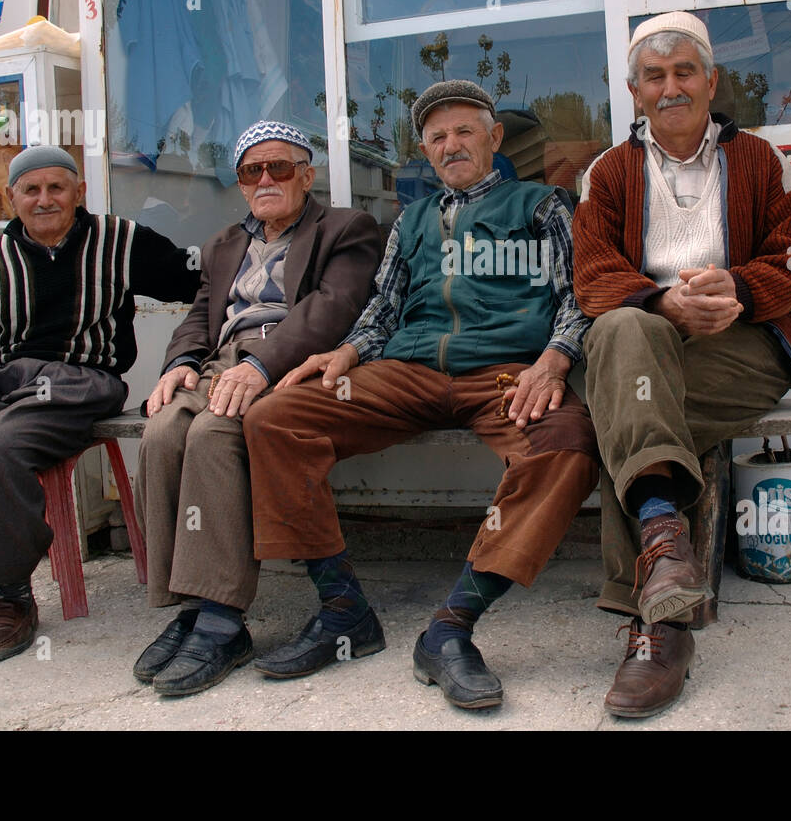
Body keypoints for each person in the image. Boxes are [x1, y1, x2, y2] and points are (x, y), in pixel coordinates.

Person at [243, 80, 598, 710]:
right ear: (425, 153)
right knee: (277, 417)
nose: (451, 144)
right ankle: (343, 608)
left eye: (465, 131)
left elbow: (580, 296)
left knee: (565, 441)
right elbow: (382, 305)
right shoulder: (410, 220)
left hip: (505, 373)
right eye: (437, 137)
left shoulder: (541, 206)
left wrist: (553, 361)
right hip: (408, 369)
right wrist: (346, 352)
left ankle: (451, 626)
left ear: (494, 139)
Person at [572, 11, 791, 718]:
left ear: (712, 81)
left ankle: (654, 577)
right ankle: (666, 601)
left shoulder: (761, 161)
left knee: (621, 412)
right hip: (644, 344)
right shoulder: (609, 174)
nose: (671, 86)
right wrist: (663, 303)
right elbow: (592, 279)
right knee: (622, 330)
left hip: (739, 351)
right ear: (635, 91)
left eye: (685, 72)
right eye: (655, 76)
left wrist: (737, 291)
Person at [0, 145, 200, 671]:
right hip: (4, 384)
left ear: (79, 193)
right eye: (31, 190)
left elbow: (196, 280)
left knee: (2, 444)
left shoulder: (119, 242)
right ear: (13, 198)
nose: (45, 199)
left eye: (57, 187)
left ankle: (11, 594)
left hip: (83, 381)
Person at [132, 121, 382, 696]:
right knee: (164, 428)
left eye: (280, 167)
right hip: (224, 362)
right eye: (252, 171)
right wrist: (179, 363)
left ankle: (222, 619)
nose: (265, 179)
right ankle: (191, 605)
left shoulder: (346, 227)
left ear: (307, 174)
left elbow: (331, 308)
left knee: (214, 435)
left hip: (292, 365)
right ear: (242, 184)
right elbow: (200, 315)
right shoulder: (224, 244)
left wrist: (262, 365)